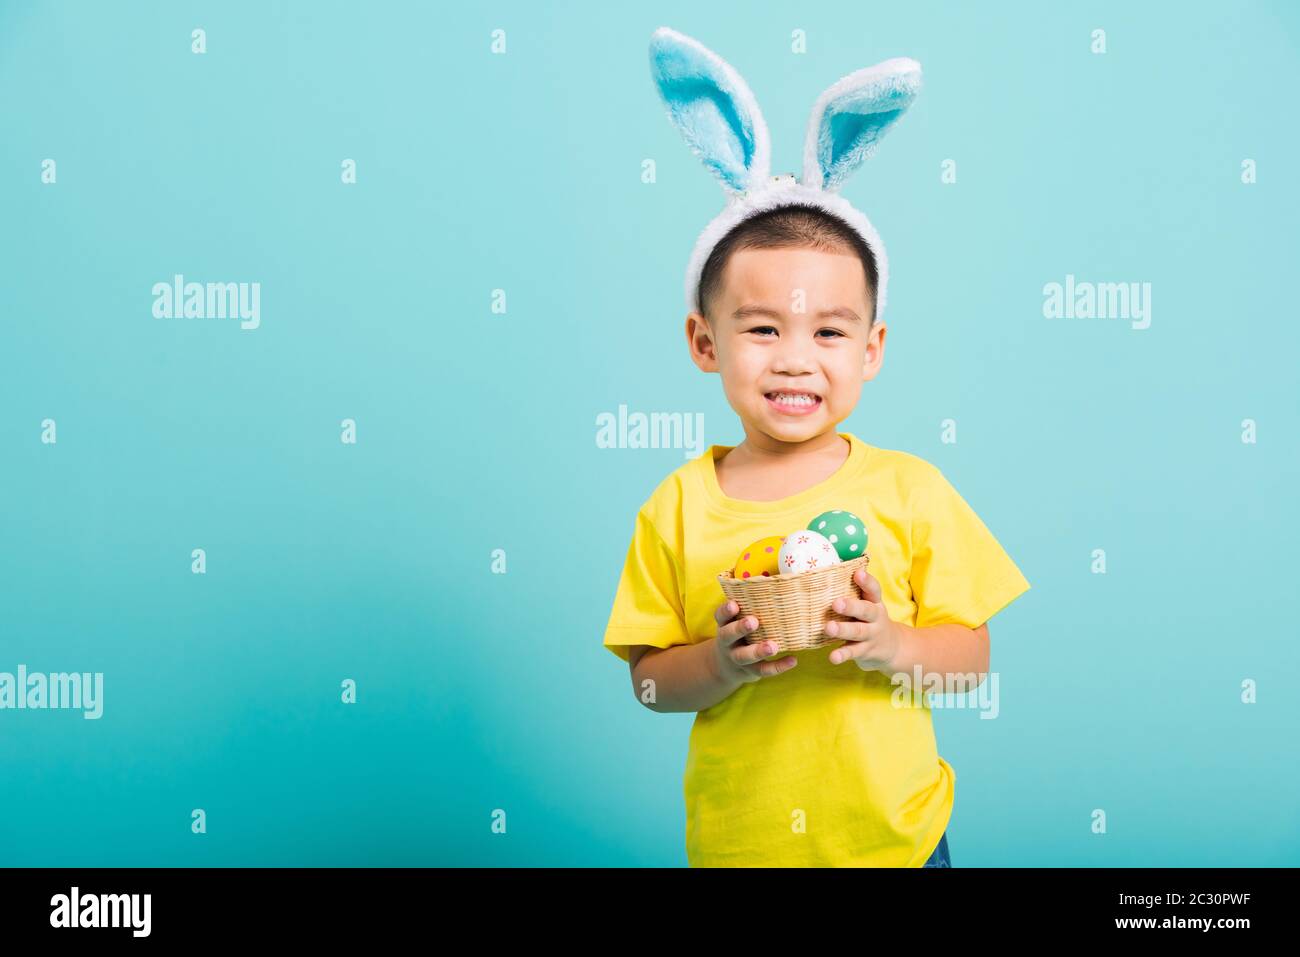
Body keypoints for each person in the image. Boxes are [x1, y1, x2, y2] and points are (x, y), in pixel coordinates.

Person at [600, 28, 1030, 867]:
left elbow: (971, 662)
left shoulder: (911, 490)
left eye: (829, 331)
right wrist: (716, 666)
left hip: (898, 844)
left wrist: (894, 645)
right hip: (741, 848)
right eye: (762, 327)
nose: (795, 356)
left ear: (870, 349)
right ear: (704, 340)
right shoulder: (679, 506)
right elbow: (649, 681)